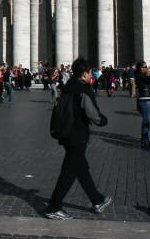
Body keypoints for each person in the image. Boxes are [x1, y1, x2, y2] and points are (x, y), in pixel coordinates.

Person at [44, 58, 112, 220]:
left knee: (81, 168)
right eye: (90, 73)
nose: (91, 75)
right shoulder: (83, 88)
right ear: (84, 73)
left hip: (67, 132)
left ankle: (98, 199)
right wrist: (102, 120)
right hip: (77, 134)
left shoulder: (69, 85)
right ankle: (53, 206)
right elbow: (91, 113)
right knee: (69, 172)